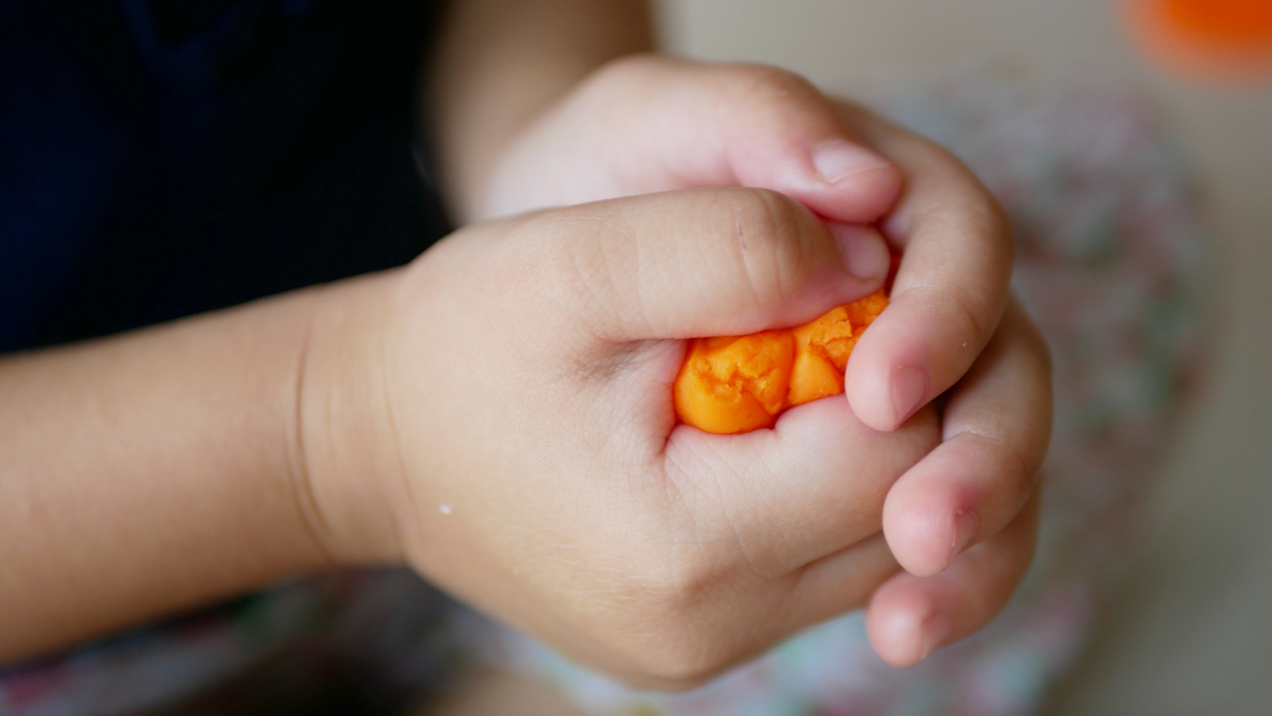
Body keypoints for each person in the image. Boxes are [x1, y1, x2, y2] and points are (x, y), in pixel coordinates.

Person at [0, 0, 1051, 713]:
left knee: (1071, 227)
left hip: (495, 385)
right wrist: (351, 432)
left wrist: (542, 131)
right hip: (71, 611)